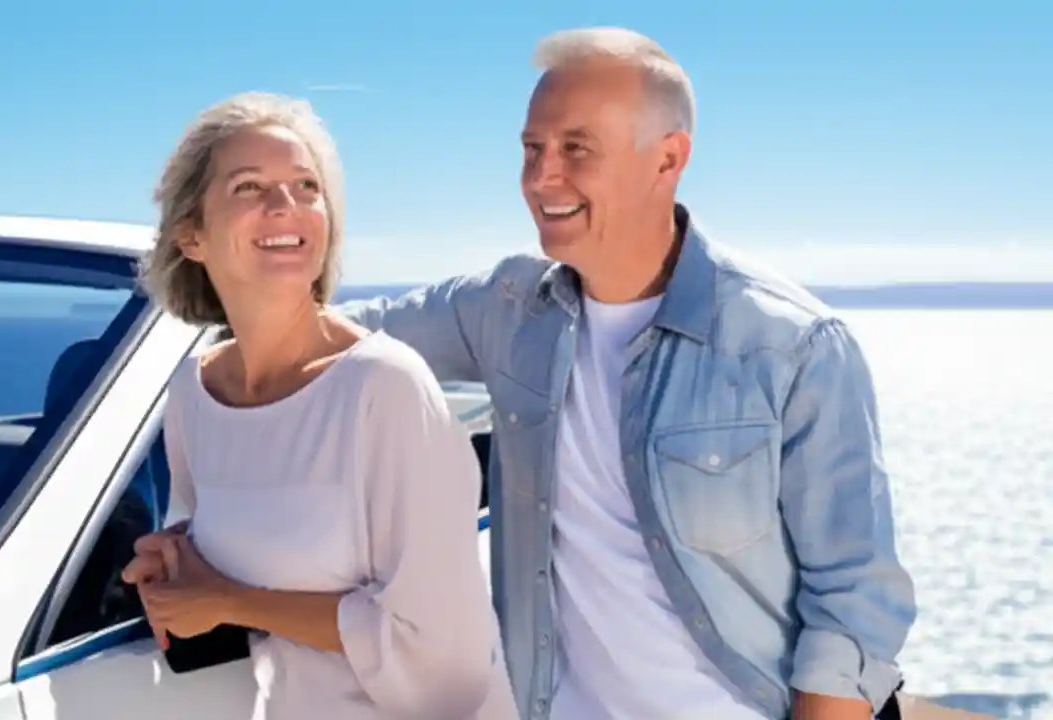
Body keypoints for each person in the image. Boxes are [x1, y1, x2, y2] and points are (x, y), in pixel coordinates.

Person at [338, 27, 917, 720]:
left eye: (575, 149)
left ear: (668, 159)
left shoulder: (791, 345)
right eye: (532, 149)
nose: (541, 177)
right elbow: (335, 336)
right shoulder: (507, 310)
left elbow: (854, 599)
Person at [120, 92, 519, 720]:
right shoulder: (194, 391)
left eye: (306, 185)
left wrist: (231, 599)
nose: (286, 205)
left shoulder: (382, 388)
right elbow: (211, 565)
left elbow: (448, 662)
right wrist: (168, 567)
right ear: (191, 235)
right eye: (250, 187)